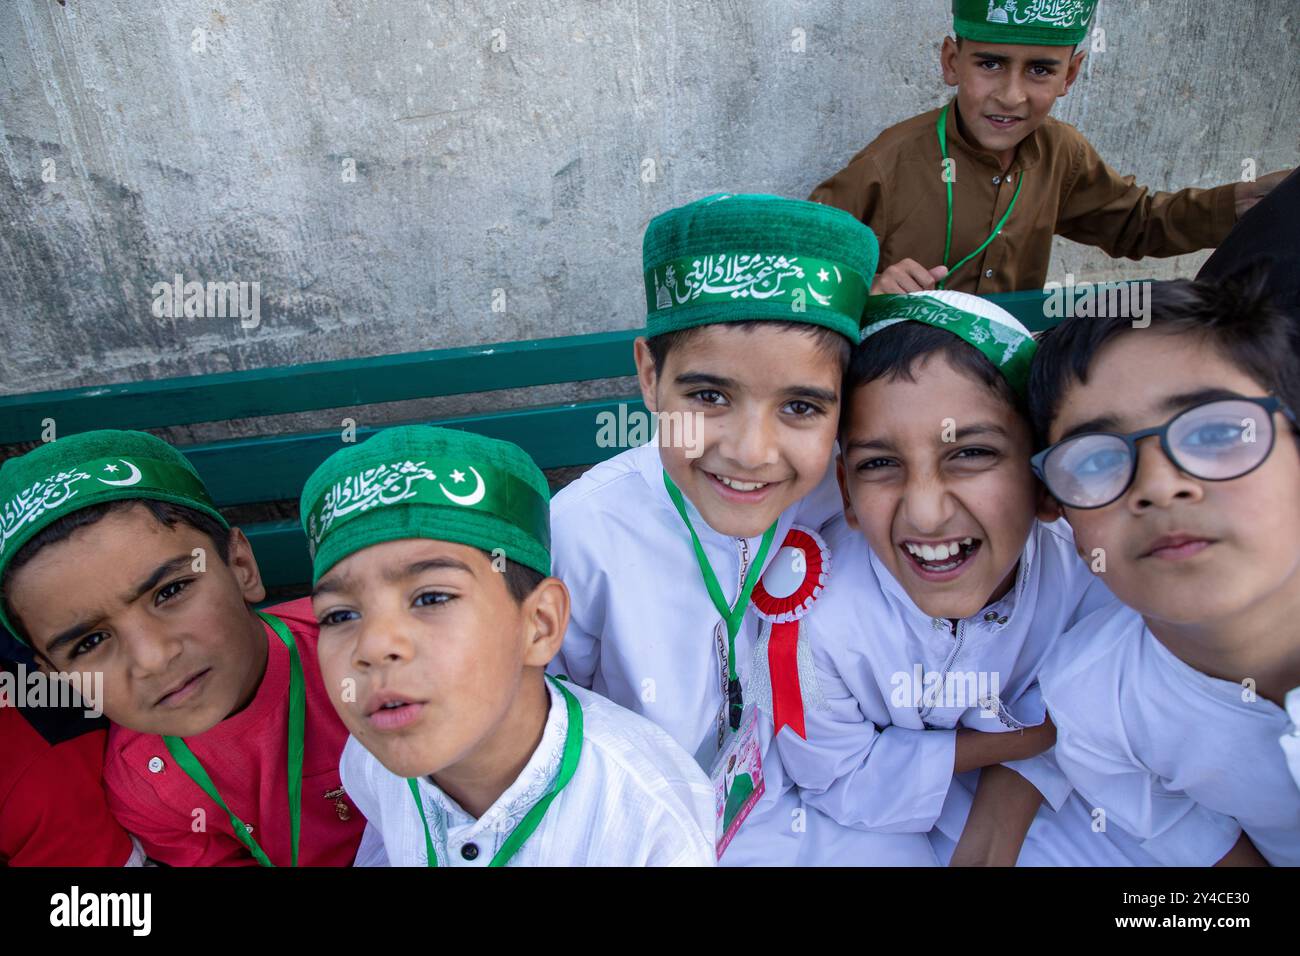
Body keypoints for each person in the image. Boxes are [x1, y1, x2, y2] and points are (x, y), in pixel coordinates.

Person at [551, 192, 935, 865]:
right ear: (648, 375)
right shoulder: (584, 532)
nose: (752, 452)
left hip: (812, 811)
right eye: (708, 397)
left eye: (800, 407)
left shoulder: (842, 501)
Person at [303, 424, 716, 866]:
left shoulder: (648, 818)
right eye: (341, 616)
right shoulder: (372, 758)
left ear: (539, 624)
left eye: (432, 598)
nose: (374, 645)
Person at [0, 430, 370, 866]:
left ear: (241, 567)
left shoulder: (364, 653)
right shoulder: (145, 787)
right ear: (55, 676)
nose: (153, 657)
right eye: (91, 641)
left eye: (171, 590)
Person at [1028, 272, 1300, 865]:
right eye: (1096, 458)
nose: (1158, 485)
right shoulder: (1092, 700)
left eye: (1219, 430)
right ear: (1056, 510)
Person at [811, 0, 1291, 294]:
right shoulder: (887, 164)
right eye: (991, 64)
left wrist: (1241, 202)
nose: (1011, 94)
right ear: (953, 62)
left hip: (1008, 373)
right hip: (899, 380)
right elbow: (797, 275)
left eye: (1040, 69)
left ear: (1071, 75)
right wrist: (867, 289)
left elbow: (1136, 224)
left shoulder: (1062, 153)